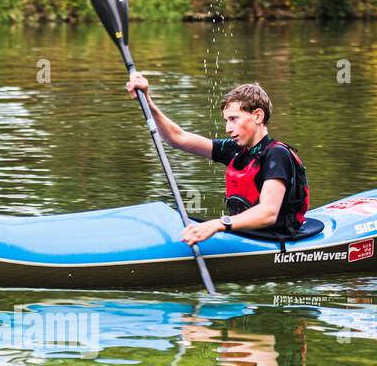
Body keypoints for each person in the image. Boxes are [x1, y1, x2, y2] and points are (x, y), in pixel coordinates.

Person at [124, 74, 309, 246]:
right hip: (245, 233)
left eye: (234, 119)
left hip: (274, 239)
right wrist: (147, 102)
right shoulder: (234, 150)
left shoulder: (277, 154)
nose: (228, 128)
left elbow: (268, 214)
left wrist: (218, 224)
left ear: (257, 116)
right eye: (226, 121)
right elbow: (178, 138)